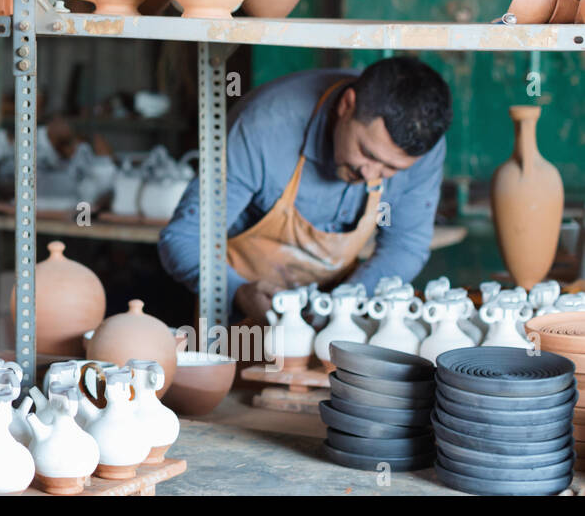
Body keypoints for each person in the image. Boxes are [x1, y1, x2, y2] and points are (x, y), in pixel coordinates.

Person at [157, 57, 451, 323]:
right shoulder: (264, 128)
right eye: (367, 153)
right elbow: (184, 237)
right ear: (346, 105)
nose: (370, 174)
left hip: (337, 312)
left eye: (391, 169)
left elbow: (405, 246)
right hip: (243, 310)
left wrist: (343, 304)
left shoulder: (423, 147)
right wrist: (236, 291)